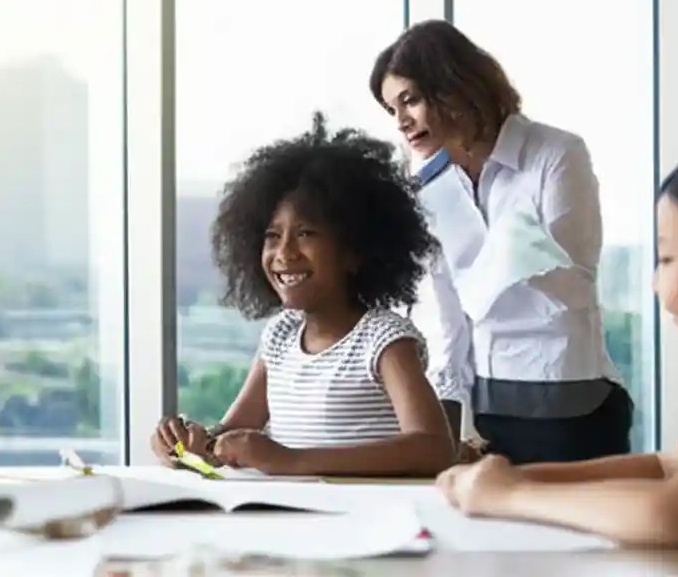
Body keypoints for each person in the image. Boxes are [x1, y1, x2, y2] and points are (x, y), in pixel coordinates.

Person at [437, 139, 678, 562]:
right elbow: (670, 468)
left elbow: (674, 514)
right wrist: (517, 479)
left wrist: (509, 495)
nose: (655, 283)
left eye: (668, 258)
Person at [370, 19, 631, 464]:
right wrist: (446, 423)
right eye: (392, 109)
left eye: (409, 100)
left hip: (572, 402)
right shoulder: (430, 184)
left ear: (453, 86)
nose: (402, 122)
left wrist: (484, 267)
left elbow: (570, 283)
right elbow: (447, 312)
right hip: (492, 407)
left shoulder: (555, 153)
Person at [150, 113, 454, 476]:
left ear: (355, 251)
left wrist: (291, 461)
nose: (285, 253)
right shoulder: (279, 336)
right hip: (294, 522)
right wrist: (192, 444)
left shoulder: (384, 340)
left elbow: (433, 449)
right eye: (272, 236)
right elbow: (232, 433)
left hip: (365, 522)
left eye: (306, 233)